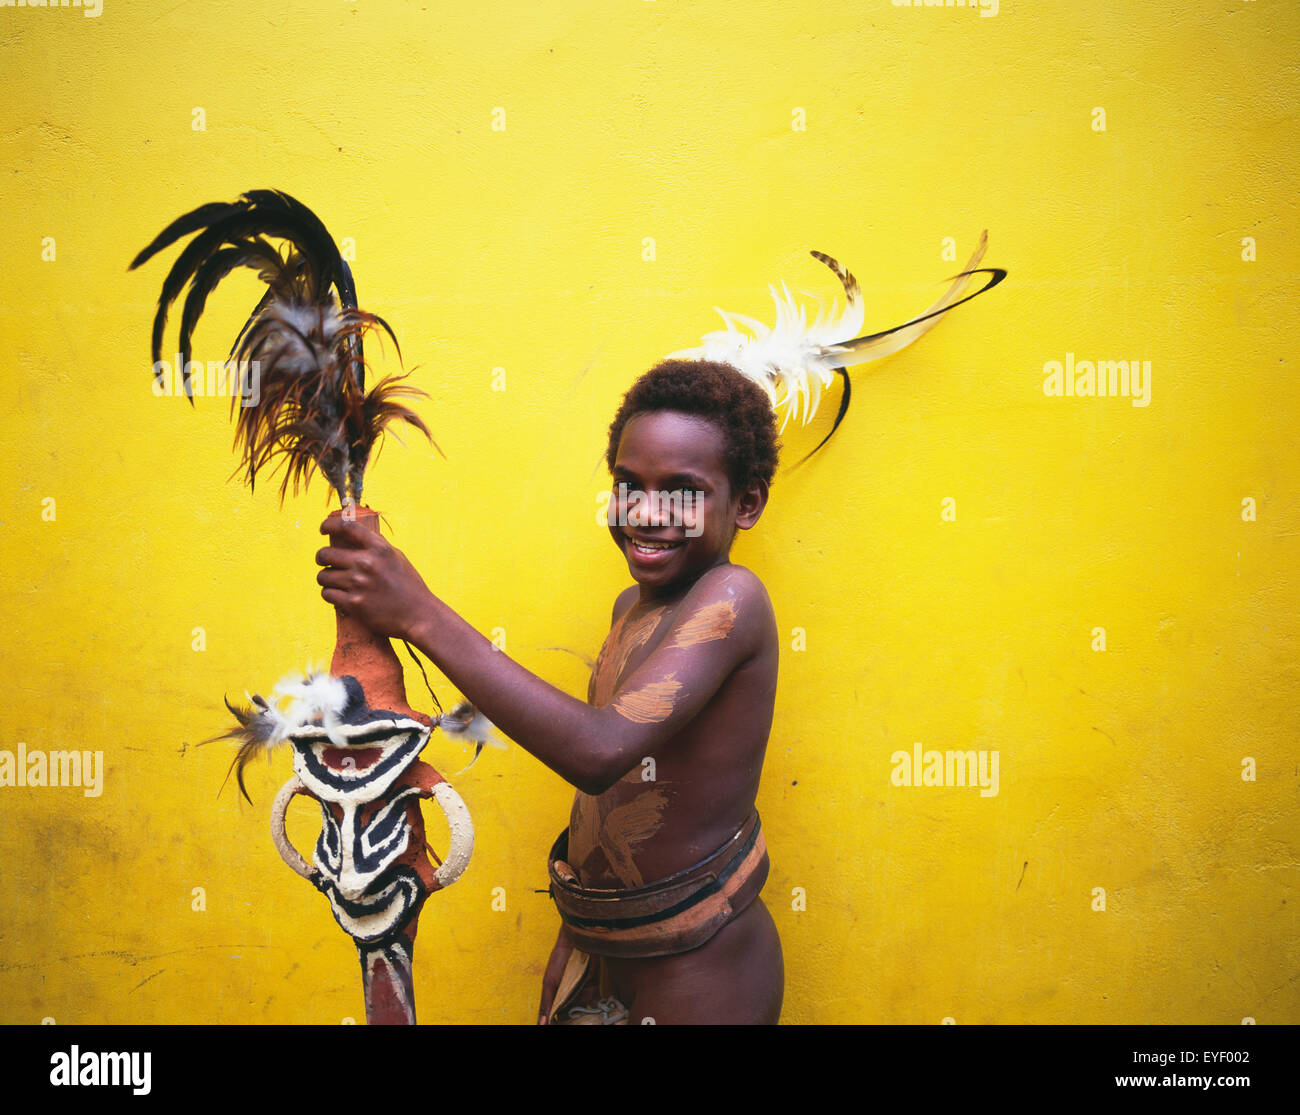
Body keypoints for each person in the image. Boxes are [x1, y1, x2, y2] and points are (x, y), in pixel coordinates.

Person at [315, 358, 784, 1024]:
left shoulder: (733, 598)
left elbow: (599, 751)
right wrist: (577, 936)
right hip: (599, 947)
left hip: (698, 972)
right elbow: (609, 803)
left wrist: (417, 611)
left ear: (747, 502)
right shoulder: (633, 606)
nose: (648, 512)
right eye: (629, 484)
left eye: (683, 490)